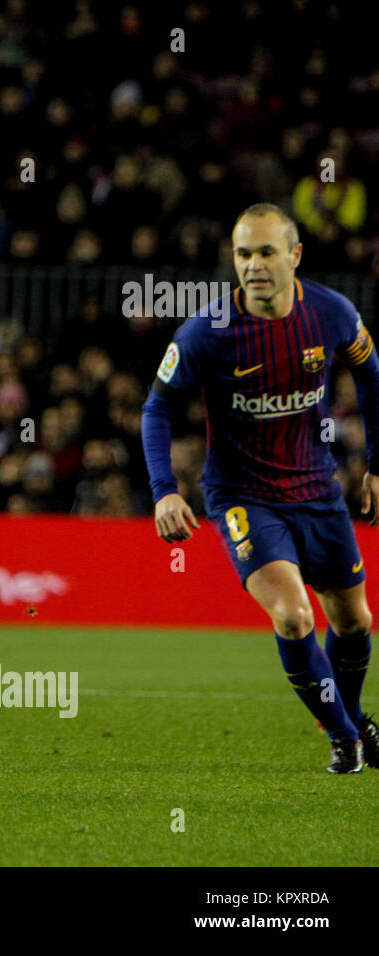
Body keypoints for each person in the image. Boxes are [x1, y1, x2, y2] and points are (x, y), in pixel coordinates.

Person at [144, 202, 379, 772]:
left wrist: (376, 462)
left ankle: (350, 723)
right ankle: (346, 736)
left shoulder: (331, 314)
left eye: (266, 251)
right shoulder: (207, 331)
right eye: (243, 252)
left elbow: (371, 374)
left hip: (318, 492)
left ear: (294, 255)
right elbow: (157, 409)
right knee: (295, 616)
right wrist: (164, 490)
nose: (253, 264)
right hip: (244, 498)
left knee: (355, 622)